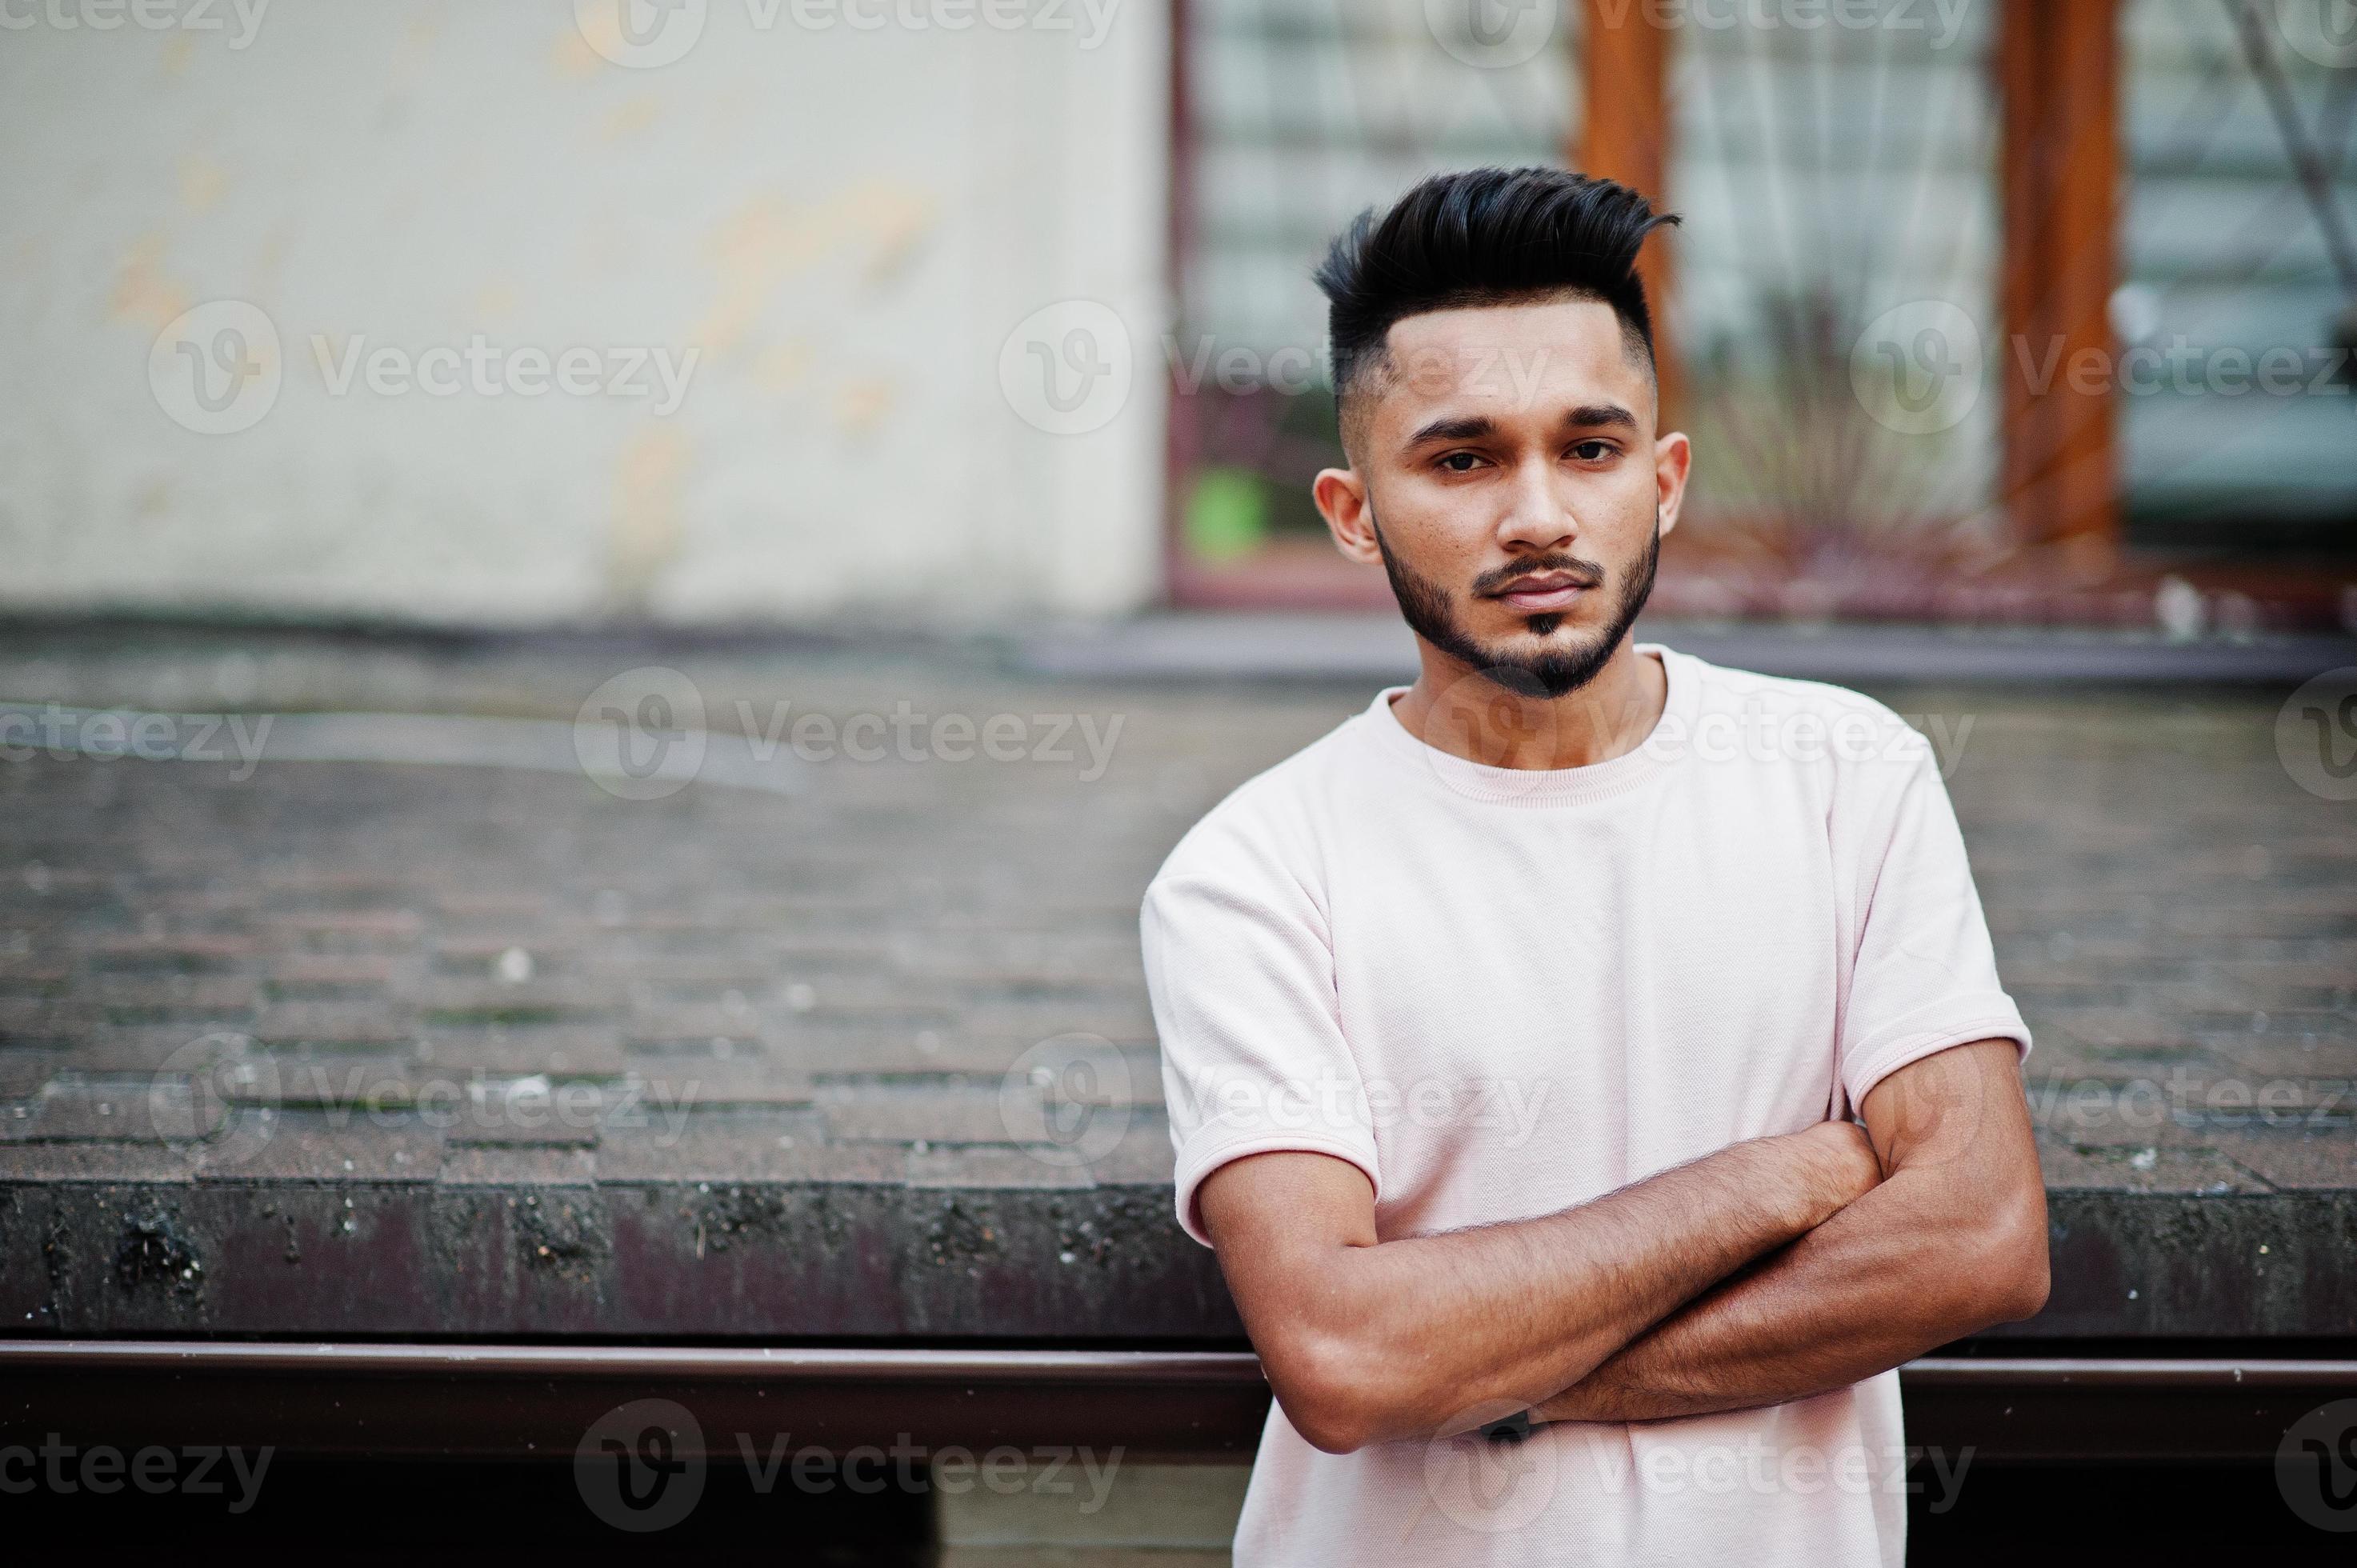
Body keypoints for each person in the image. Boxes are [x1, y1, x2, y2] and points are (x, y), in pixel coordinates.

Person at [1138, 166, 2048, 1566]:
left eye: (1590, 448)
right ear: (1350, 511)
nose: (1538, 517)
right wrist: (1777, 1180)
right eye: (1460, 459)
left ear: (1665, 480)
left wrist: (1483, 1381)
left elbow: (1977, 1238)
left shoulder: (1844, 779)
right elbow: (1339, 1352)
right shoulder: (1256, 871)